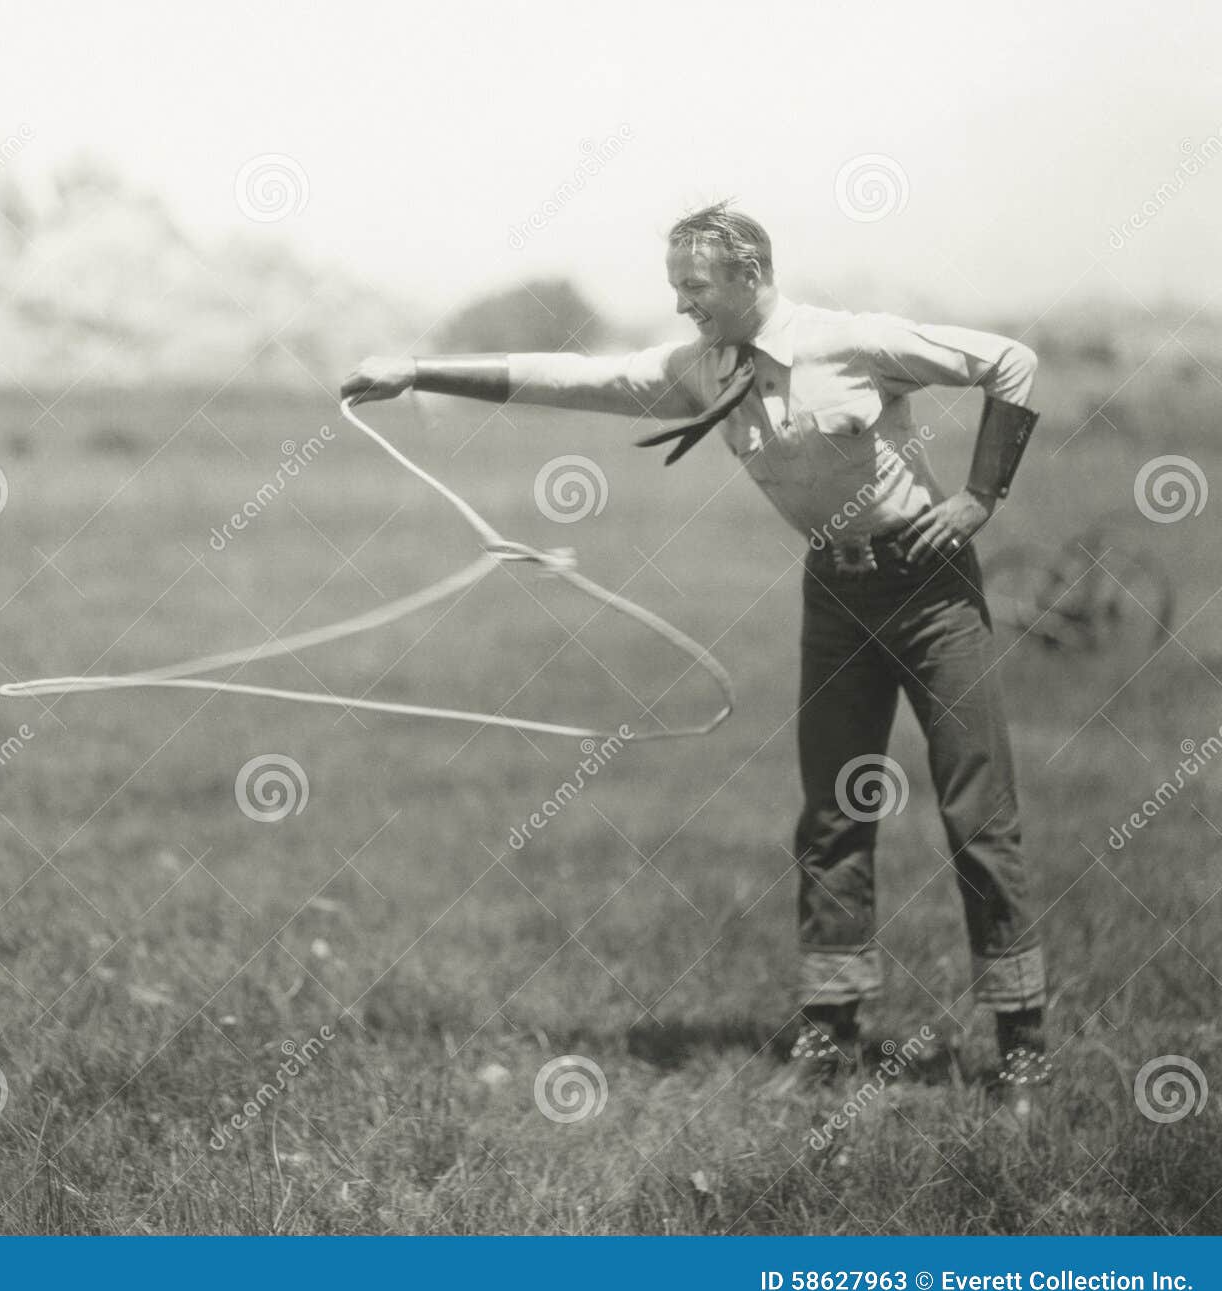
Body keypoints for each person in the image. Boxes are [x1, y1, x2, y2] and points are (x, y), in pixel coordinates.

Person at [341, 203, 1048, 1121]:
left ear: (751, 275)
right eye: (675, 288)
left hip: (932, 594)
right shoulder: (700, 368)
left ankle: (1021, 1052)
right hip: (834, 597)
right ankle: (829, 1043)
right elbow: (576, 378)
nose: (683, 306)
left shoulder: (852, 342)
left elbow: (1013, 363)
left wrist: (981, 498)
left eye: (697, 288)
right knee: (832, 818)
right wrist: (416, 370)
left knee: (975, 816)